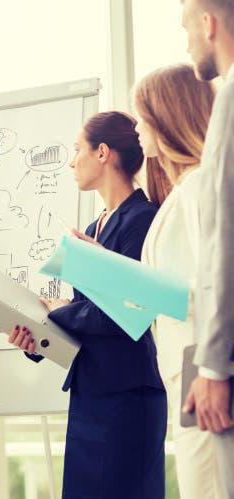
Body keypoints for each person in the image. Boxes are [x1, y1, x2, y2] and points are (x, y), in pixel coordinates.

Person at [8, 111, 166, 499]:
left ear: (103, 153)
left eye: (77, 149)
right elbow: (89, 316)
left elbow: (125, 314)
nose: (70, 160)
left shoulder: (142, 219)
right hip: (93, 394)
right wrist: (39, 338)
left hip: (128, 398)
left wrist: (56, 310)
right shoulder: (94, 227)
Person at [135, 63, 222, 499]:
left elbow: (216, 288)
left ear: (166, 117)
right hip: (186, 367)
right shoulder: (185, 190)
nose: (136, 127)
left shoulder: (200, 188)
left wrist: (132, 282)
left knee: (207, 486)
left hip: (200, 369)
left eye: (142, 115)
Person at [180, 0, 234, 494]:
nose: (188, 43)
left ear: (208, 23)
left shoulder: (231, 103)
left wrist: (213, 365)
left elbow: (225, 250)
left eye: (186, 29)